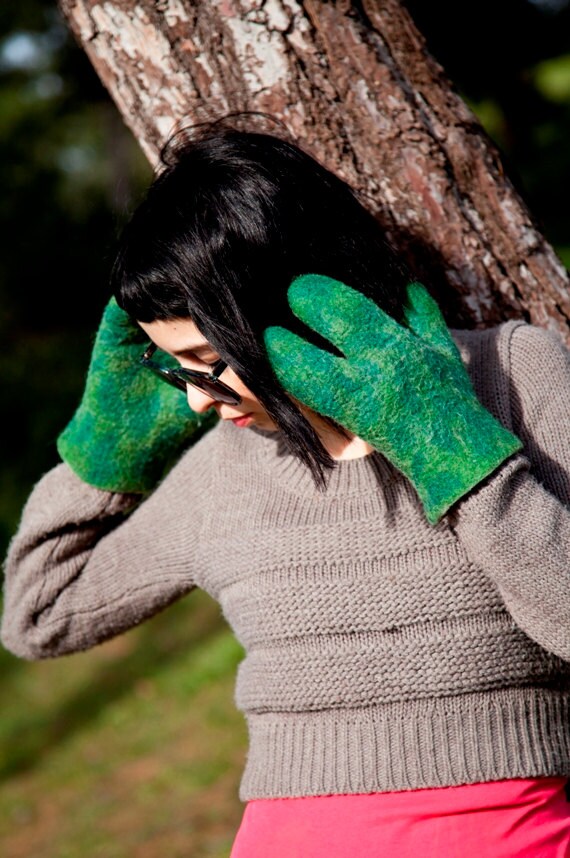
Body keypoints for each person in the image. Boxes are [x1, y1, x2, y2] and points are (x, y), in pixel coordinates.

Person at [2, 117, 570, 857]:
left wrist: (463, 463)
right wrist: (101, 461)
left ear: (298, 308)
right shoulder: (226, 471)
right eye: (176, 369)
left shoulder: (512, 376)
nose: (197, 400)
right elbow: (38, 615)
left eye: (209, 360)